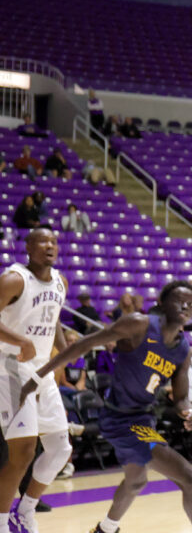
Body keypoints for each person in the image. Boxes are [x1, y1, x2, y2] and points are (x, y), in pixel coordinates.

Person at [23, 281, 192, 533]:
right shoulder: (139, 325)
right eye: (179, 300)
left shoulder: (183, 351)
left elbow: (182, 399)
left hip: (143, 419)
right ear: (162, 304)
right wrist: (39, 376)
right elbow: (83, 345)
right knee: (191, 479)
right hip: (119, 418)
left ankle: (106, 529)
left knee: (136, 481)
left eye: (190, 302)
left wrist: (191, 412)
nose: (186, 306)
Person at [0, 228, 72, 533]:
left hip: (42, 370)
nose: (50, 246)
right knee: (24, 451)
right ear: (28, 247)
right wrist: (21, 341)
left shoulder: (60, 281)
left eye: (54, 242)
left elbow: (53, 317)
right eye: (43, 241)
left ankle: (24, 511)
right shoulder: (14, 279)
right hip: (10, 368)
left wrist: (64, 353)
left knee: (60, 448)